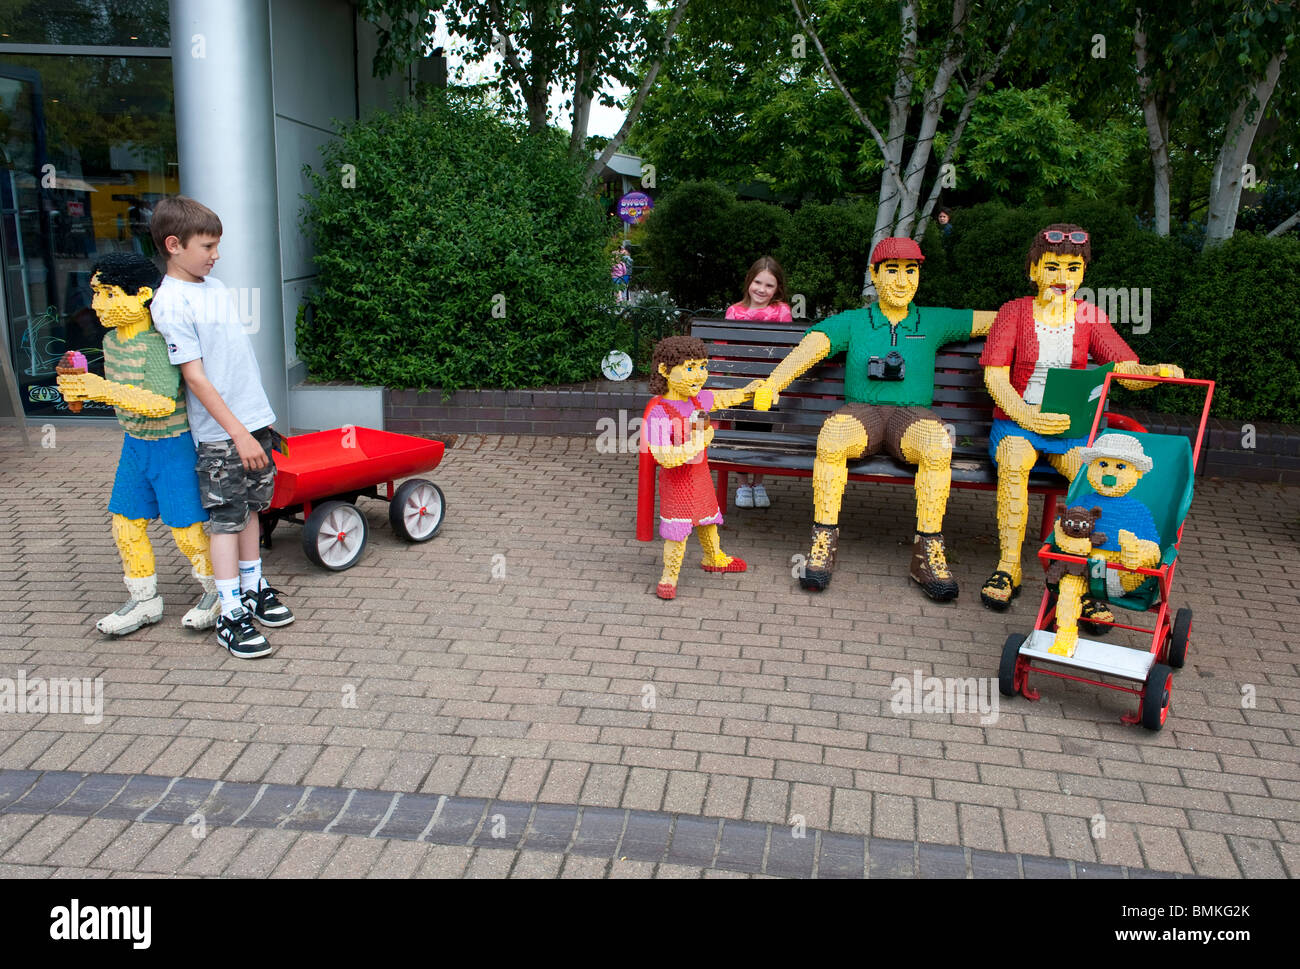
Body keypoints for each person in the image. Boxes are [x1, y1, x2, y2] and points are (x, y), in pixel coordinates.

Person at [753, 237, 998, 599]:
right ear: (875, 274)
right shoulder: (854, 322)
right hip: (862, 412)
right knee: (833, 438)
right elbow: (813, 347)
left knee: (936, 445)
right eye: (893, 271)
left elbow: (997, 321)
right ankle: (823, 540)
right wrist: (775, 382)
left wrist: (1051, 311)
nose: (901, 281)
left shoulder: (934, 320)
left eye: (910, 271)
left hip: (911, 415)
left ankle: (927, 550)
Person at [978, 224, 1182, 612]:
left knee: (1095, 478)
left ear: (1083, 274)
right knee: (1014, 461)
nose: (1062, 278)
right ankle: (1008, 567)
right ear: (1033, 270)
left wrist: (1155, 372)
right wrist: (1025, 415)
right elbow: (994, 375)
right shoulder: (1015, 312)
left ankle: (1084, 578)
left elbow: (1124, 367)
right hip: (1018, 423)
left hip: (1070, 430)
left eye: (1072, 269)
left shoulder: (1089, 316)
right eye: (1052, 267)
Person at [148, 196, 294, 659]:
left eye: (217, 245)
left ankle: (253, 587)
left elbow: (234, 363)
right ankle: (230, 614)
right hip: (223, 435)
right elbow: (195, 377)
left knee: (251, 509)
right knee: (225, 522)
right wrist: (238, 433)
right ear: (174, 245)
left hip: (252, 422)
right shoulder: (169, 303)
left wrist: (258, 423)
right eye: (207, 246)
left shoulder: (214, 287)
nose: (215, 255)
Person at [55, 252, 219, 636]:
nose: (97, 304)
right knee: (125, 523)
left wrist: (101, 388)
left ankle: (217, 592)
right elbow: (125, 395)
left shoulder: (158, 343)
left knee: (186, 529)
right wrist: (83, 389)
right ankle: (144, 599)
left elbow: (162, 402)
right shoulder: (112, 342)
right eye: (96, 293)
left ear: (143, 294)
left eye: (109, 294)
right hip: (135, 444)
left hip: (171, 445)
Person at [643, 335, 761, 600]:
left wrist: (750, 391)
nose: (699, 375)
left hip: (700, 477)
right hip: (677, 482)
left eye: (703, 366)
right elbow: (665, 457)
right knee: (677, 530)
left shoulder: (698, 399)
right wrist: (699, 440)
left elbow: (723, 398)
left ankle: (714, 557)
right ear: (664, 370)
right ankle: (669, 576)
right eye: (689, 368)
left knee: (708, 519)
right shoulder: (659, 411)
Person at [724, 256, 793, 508]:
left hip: (769, 383)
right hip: (742, 383)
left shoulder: (781, 311)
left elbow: (784, 348)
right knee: (741, 431)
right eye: (758, 282)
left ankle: (758, 481)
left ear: (777, 289)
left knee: (764, 432)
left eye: (769, 285)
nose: (761, 290)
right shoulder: (734, 311)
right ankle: (743, 484)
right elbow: (729, 349)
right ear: (749, 282)